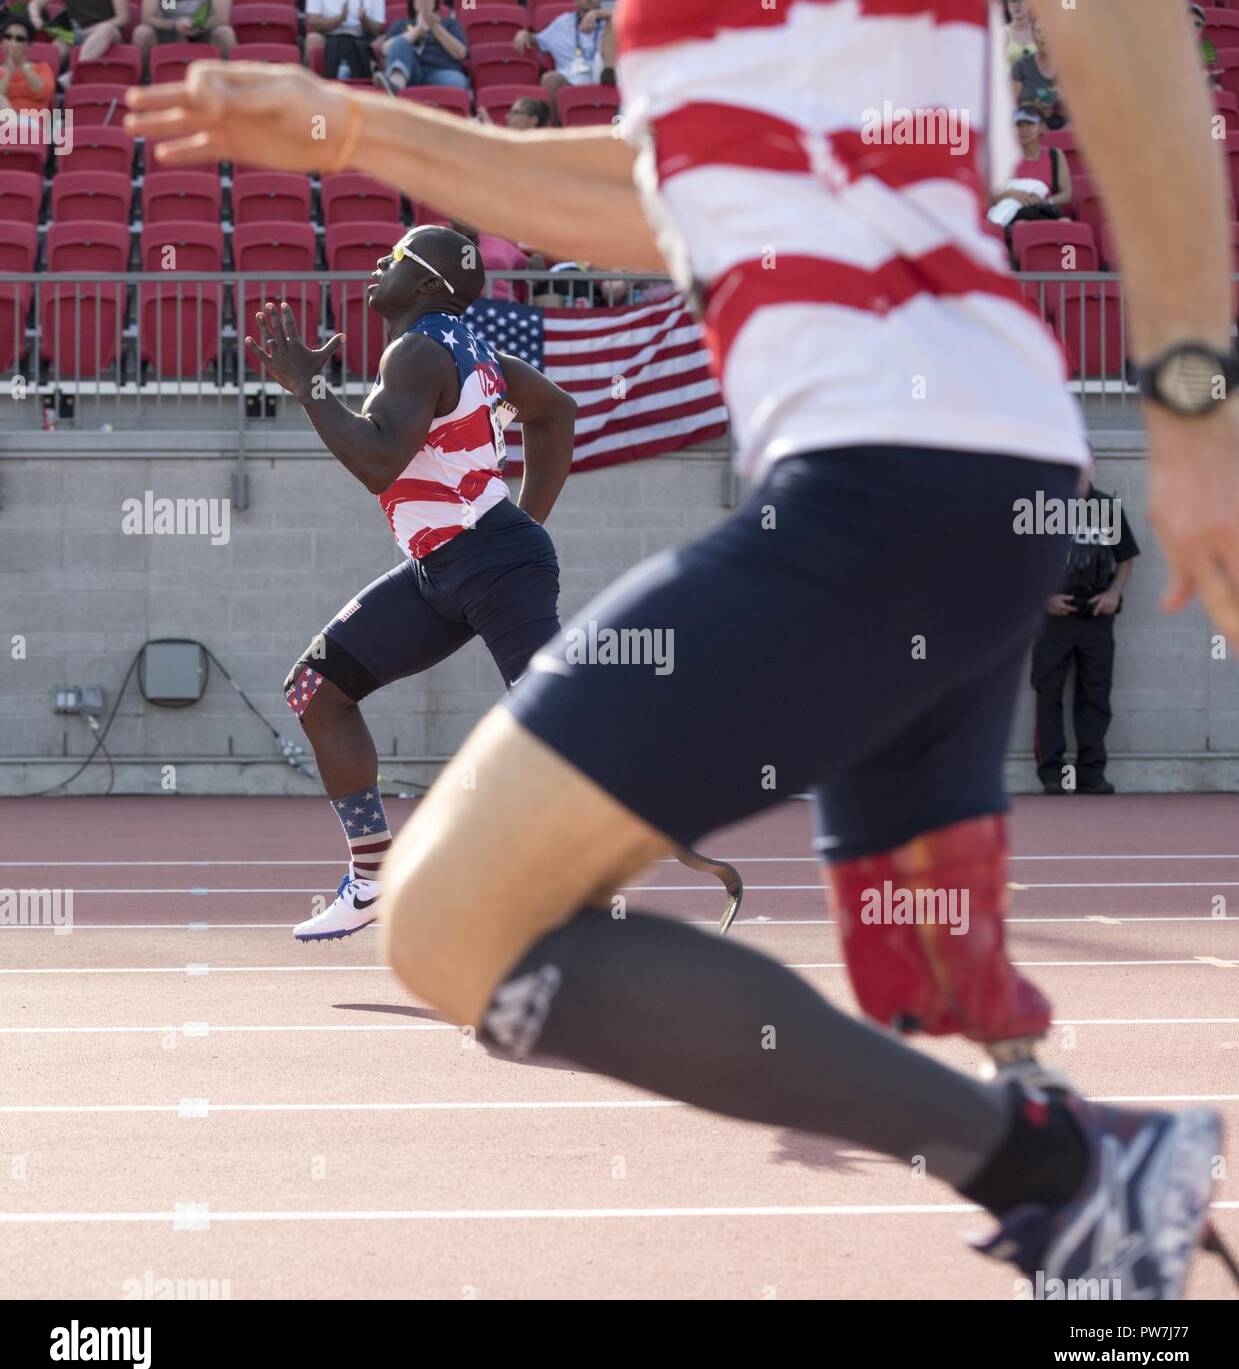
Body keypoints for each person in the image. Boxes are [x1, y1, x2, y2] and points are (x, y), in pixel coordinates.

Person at [126, 0, 1239, 1297]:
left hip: (893, 481)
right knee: (941, 978)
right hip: (955, 472)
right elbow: (659, 203)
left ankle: (1067, 1179)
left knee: (450, 921)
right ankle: (1086, 1217)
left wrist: (1189, 400)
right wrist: (359, 128)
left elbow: (1119, 23)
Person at [242, 226, 574, 941]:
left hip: (491, 561)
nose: (376, 265)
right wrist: (529, 524)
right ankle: (372, 878)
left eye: (392, 259)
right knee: (315, 692)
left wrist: (310, 388)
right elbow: (555, 412)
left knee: (548, 735)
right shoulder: (469, 350)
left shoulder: (419, 350)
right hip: (444, 569)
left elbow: (377, 462)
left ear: (425, 285)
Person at [1032, 480, 1141, 795]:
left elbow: (1126, 558)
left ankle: (1091, 774)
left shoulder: (1108, 508)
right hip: (1054, 619)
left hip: (1096, 616)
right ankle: (1052, 774)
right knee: (1048, 694)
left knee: (1095, 694)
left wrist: (1114, 593)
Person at [514, 0, 616, 104]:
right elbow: (537, 39)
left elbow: (630, 16)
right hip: (571, 81)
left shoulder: (612, 22)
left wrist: (597, 14)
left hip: (605, 78)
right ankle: (555, 121)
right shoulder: (562, 22)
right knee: (550, 79)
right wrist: (524, 34)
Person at [988, 108, 1072, 230]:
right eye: (1019, 125)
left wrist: (1046, 201)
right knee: (1022, 227)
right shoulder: (1004, 158)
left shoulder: (1054, 155)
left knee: (1066, 223)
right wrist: (1010, 194)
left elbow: (1067, 194)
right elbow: (989, 196)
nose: (1024, 130)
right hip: (1014, 216)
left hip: (1045, 211)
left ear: (1042, 127)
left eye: (1030, 124)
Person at [374, 0, 468, 95]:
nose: (424, 1)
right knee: (401, 41)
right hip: (410, 71)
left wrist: (435, 27)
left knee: (457, 81)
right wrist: (418, 30)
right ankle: (395, 86)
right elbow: (385, 49)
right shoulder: (401, 24)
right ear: (413, 4)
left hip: (441, 70)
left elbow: (461, 53)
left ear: (434, 3)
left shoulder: (450, 24)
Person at [133, 0, 235, 66]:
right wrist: (174, 25)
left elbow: (221, 19)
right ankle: (145, 80)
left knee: (225, 33)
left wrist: (196, 25)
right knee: (142, 33)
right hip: (168, 31)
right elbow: (147, 18)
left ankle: (229, 80)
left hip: (204, 31)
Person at [304, 0, 385, 82]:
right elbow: (312, 23)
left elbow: (378, 28)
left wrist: (364, 19)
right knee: (312, 39)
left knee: (381, 43)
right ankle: (312, 86)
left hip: (362, 36)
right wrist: (340, 19)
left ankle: (381, 88)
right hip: (327, 33)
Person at [28, 0, 125, 66]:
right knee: (58, 49)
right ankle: (46, 85)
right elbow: (36, 3)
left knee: (106, 29)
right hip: (76, 32)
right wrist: (35, 17)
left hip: (108, 32)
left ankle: (76, 72)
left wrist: (92, 30)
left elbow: (123, 18)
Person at [1011, 17, 1067, 130]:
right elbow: (1010, 106)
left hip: (1063, 131)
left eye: (1046, 31)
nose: (1042, 36)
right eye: (1038, 31)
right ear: (1033, 36)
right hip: (1028, 130)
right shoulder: (1021, 66)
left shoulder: (1068, 67)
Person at [0, 13, 53, 112]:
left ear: (28, 46)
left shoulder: (42, 68)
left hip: (33, 121)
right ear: (2, 44)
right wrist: (8, 73)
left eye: (19, 39)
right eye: (8, 37)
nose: (13, 42)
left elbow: (43, 92)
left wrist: (24, 67)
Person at [1004, 0, 1036, 66]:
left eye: (1020, 1)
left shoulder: (1040, 31)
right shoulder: (1002, 33)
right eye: (1012, 1)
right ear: (1008, 5)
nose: (1016, 5)